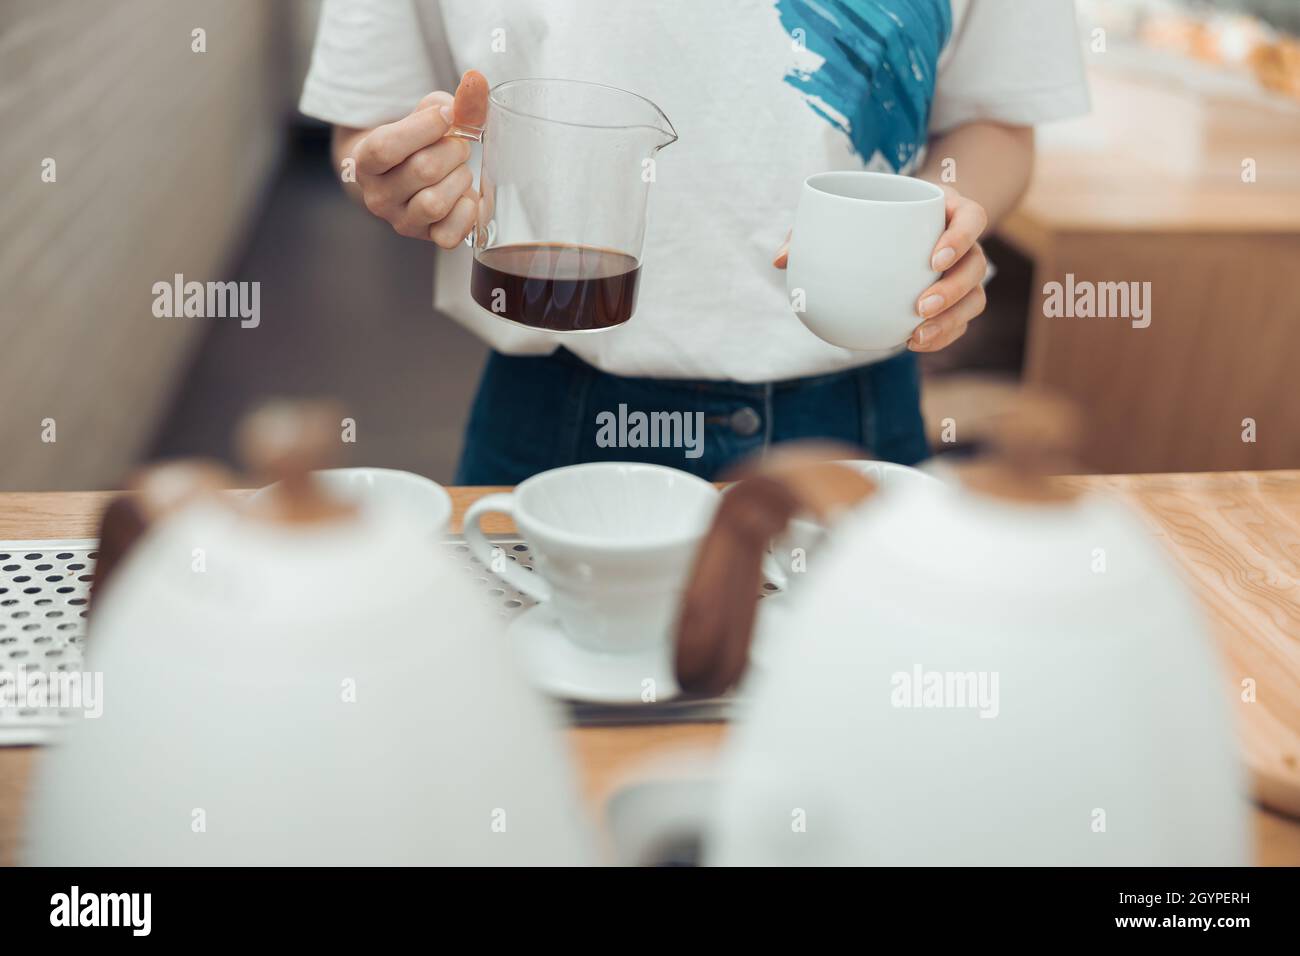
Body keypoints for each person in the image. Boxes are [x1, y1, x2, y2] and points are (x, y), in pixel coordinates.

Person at [300, 0, 1089, 483]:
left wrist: (944, 225)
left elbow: (999, 122)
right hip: (555, 407)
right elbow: (364, 122)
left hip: (858, 417)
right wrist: (401, 171)